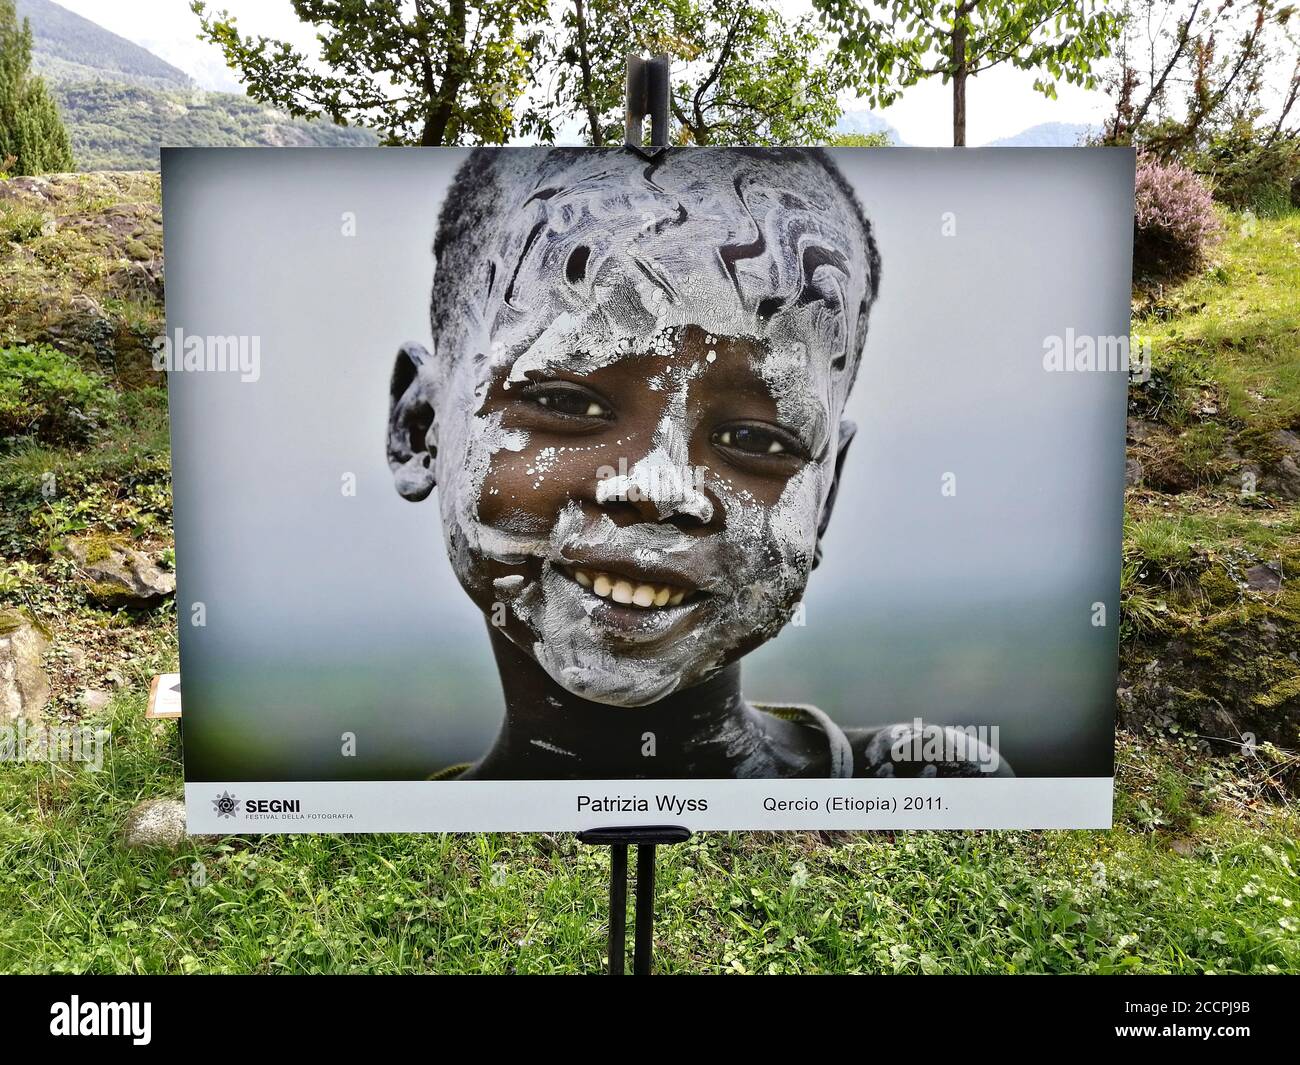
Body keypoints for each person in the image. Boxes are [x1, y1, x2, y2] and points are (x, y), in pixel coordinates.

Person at [387, 146, 1009, 781]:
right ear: (420, 428)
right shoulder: (395, 862)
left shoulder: (918, 791)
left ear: (825, 495)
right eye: (565, 401)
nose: (662, 488)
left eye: (759, 440)